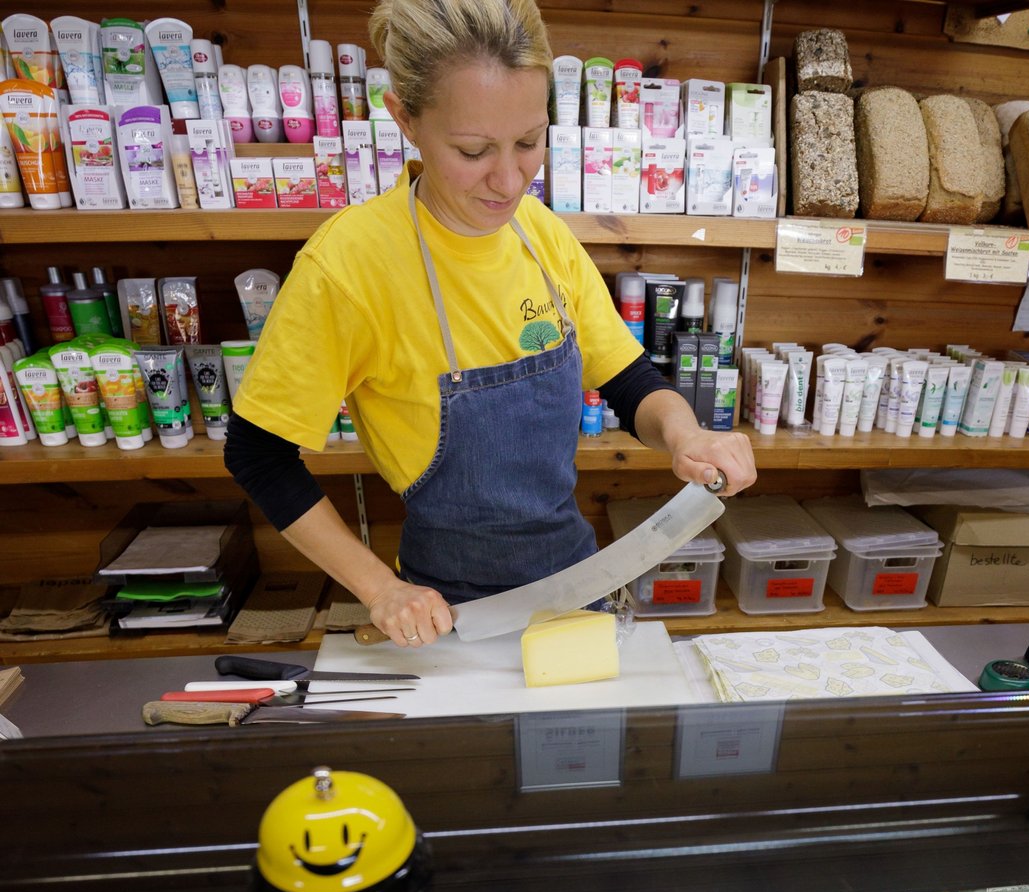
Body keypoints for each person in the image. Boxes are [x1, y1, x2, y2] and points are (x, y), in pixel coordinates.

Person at [225, 0, 756, 649]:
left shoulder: (539, 233)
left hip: (576, 584)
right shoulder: (349, 267)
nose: (509, 181)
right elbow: (259, 454)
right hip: (450, 614)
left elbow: (628, 378)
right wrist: (381, 590)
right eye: (474, 150)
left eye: (529, 141)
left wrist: (684, 432)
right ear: (405, 119)